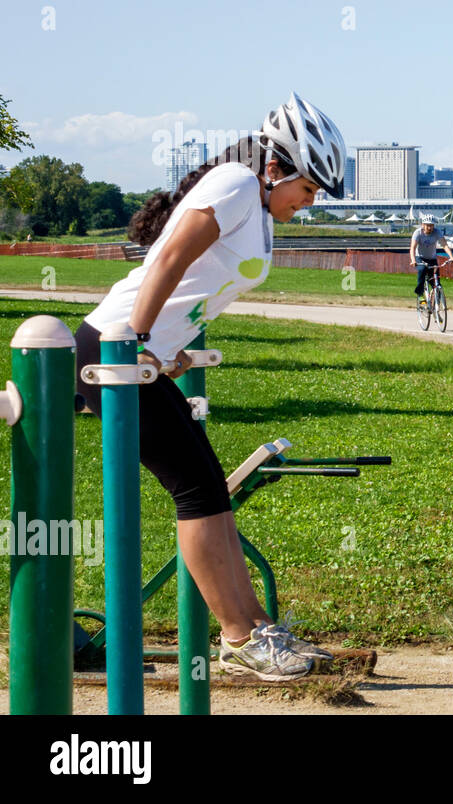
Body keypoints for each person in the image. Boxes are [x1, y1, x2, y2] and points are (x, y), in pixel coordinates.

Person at [74, 92, 346, 681]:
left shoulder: (253, 202)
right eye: (309, 187)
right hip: (113, 350)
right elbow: (169, 256)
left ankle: (255, 631)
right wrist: (141, 339)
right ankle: (238, 636)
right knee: (195, 490)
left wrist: (165, 350)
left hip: (139, 355)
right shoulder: (235, 184)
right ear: (276, 168)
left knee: (210, 489)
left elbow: (193, 287)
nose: (311, 201)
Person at [410, 214, 453, 297]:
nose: (429, 228)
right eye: (427, 225)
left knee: (435, 280)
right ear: (423, 225)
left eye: (431, 225)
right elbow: (413, 247)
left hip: (432, 259)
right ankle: (420, 295)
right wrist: (413, 260)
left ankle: (436, 301)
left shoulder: (437, 232)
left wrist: (451, 257)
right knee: (422, 270)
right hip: (420, 257)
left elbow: (444, 245)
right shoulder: (417, 233)